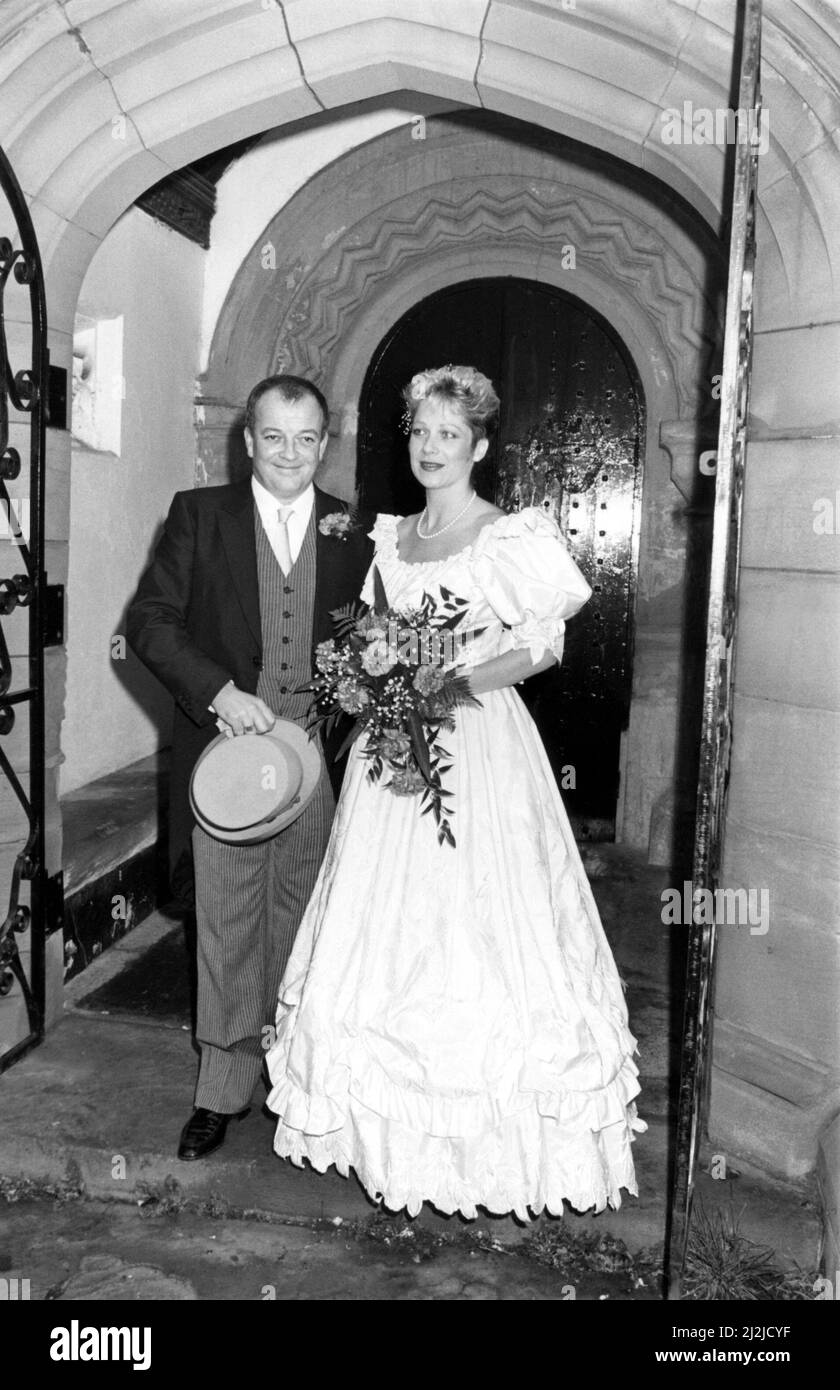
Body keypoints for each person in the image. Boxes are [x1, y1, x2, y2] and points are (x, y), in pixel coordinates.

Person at [264, 365, 645, 1220]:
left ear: (478, 446)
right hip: (393, 749)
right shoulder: (390, 538)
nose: (431, 448)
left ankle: (494, 1148)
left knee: (482, 920)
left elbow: (541, 644)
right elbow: (371, 635)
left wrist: (451, 686)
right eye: (420, 432)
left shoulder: (507, 535)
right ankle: (378, 1135)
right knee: (383, 924)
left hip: (474, 745)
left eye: (449, 435)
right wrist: (378, 683)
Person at [126, 375, 373, 1160]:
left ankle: (299, 1084)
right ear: (248, 441)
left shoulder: (356, 529)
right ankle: (221, 1092)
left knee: (305, 923)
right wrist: (220, 692)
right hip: (228, 756)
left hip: (319, 757)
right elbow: (151, 625)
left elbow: (380, 638)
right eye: (274, 437)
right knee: (229, 921)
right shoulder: (200, 516)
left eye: (306, 439)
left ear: (324, 444)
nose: (289, 454)